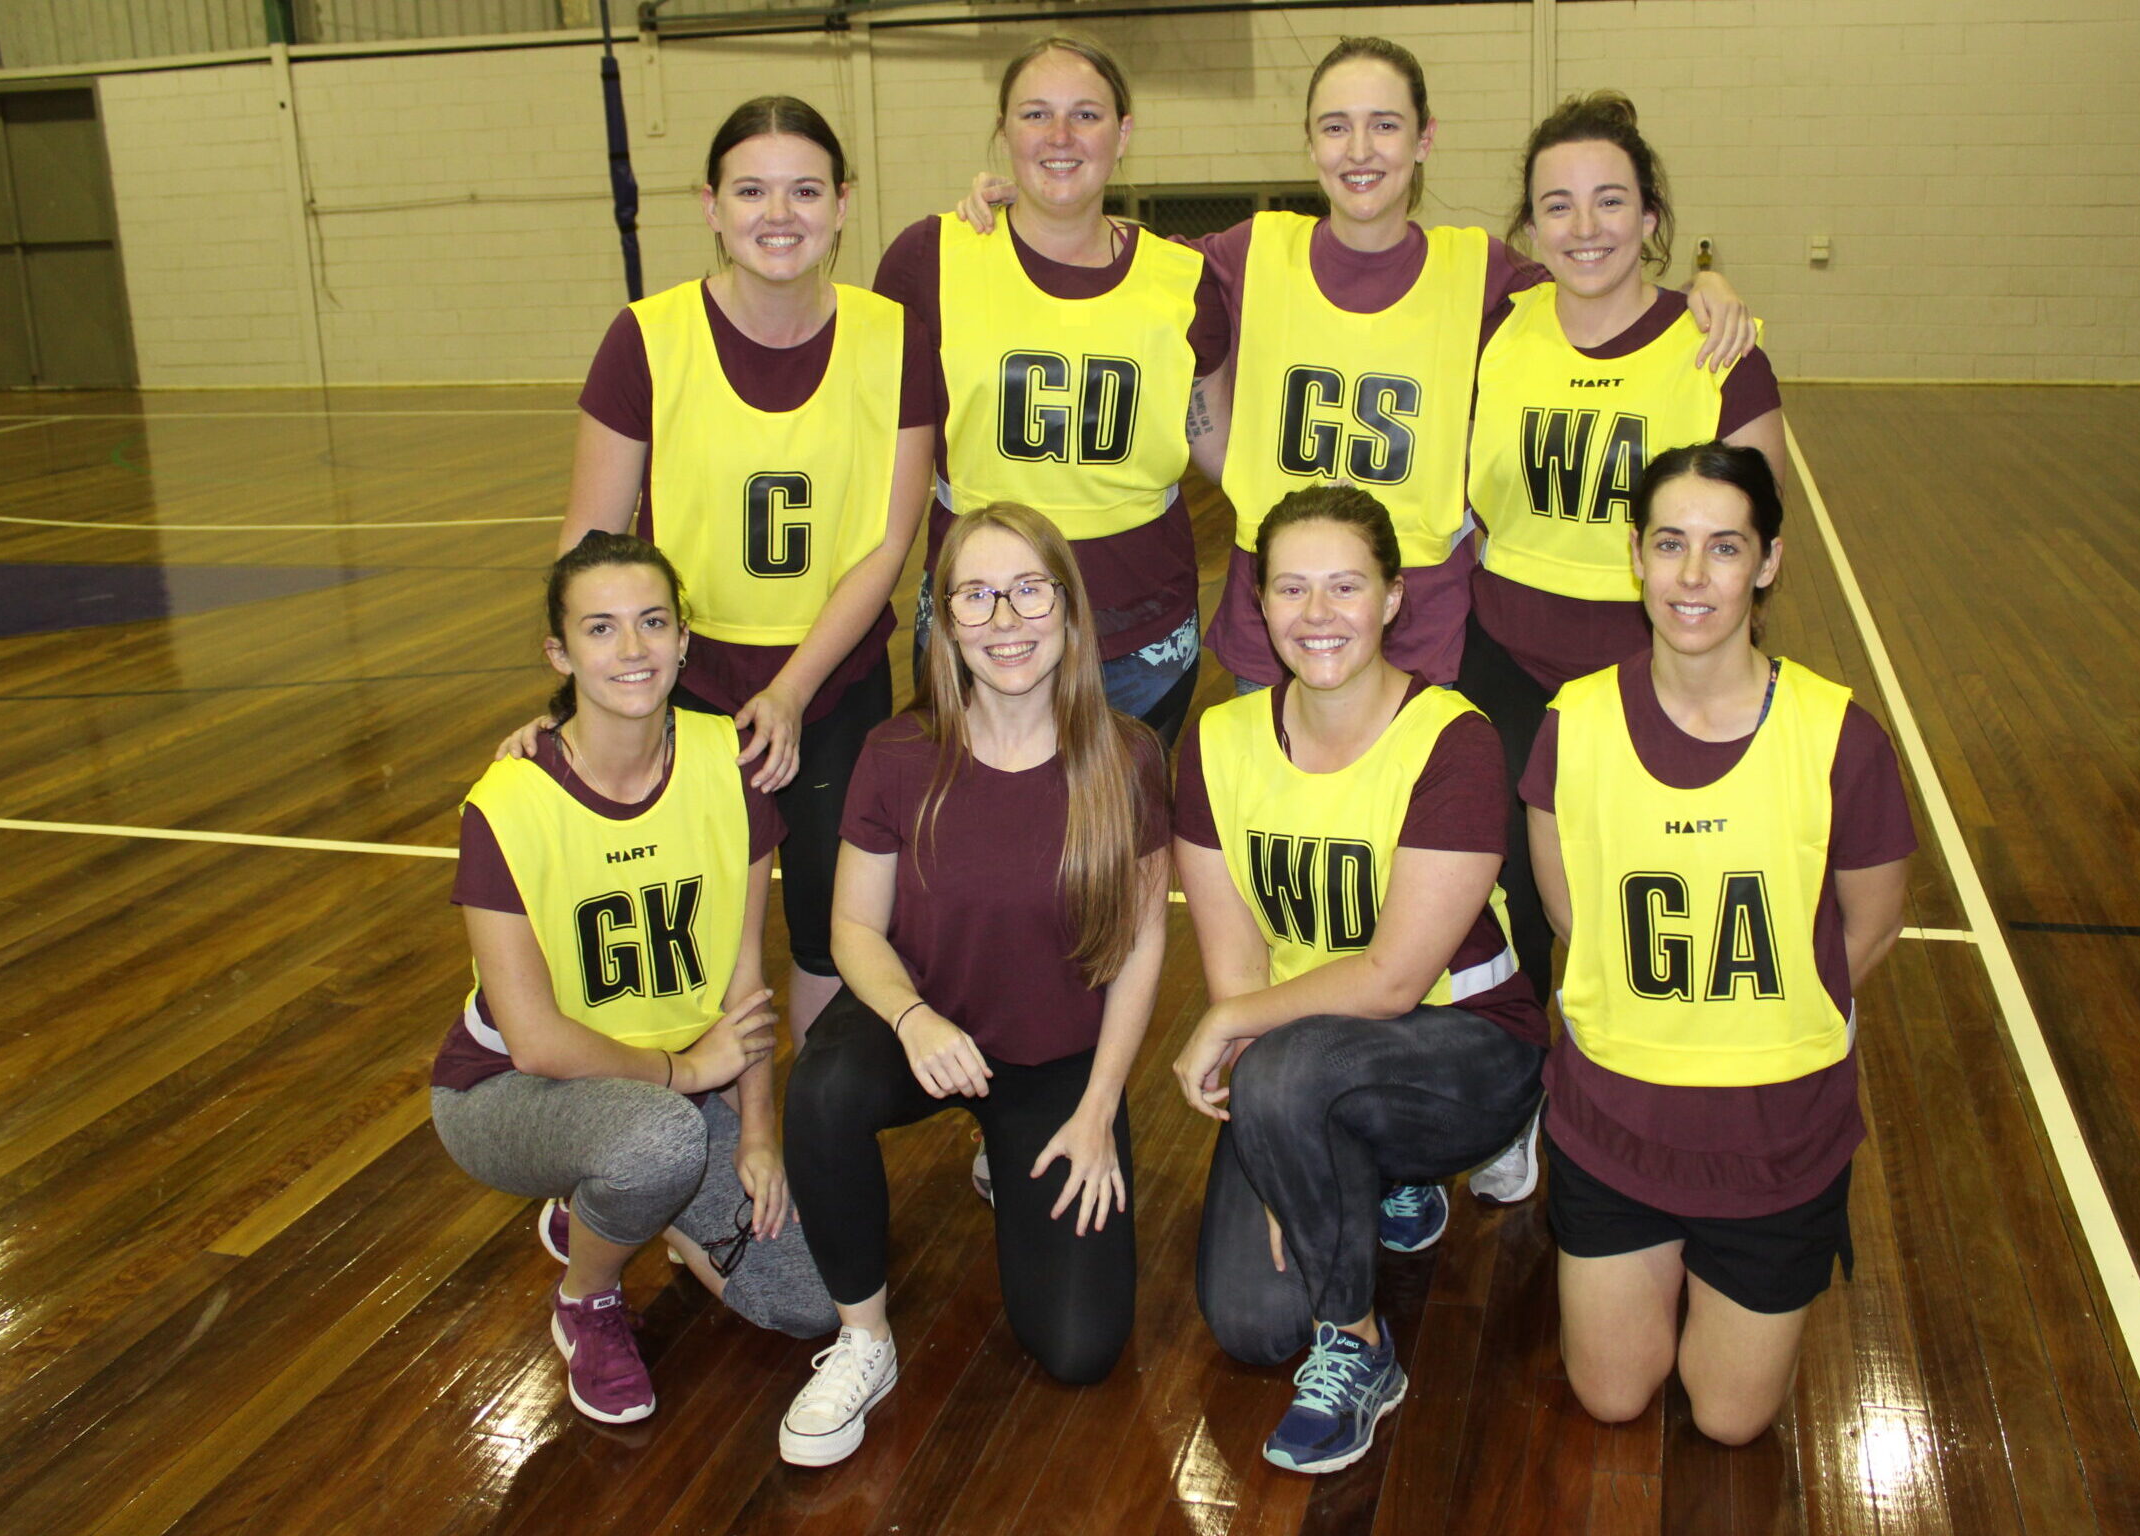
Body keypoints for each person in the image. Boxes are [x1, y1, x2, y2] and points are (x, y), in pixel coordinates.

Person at [505, 96, 933, 1045]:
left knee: (832, 925)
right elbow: (591, 542)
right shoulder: (647, 338)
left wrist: (790, 691)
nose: (778, 214)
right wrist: (575, 698)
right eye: (750, 190)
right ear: (709, 205)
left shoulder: (894, 337)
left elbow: (887, 547)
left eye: (804, 190)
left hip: (831, 686)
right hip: (678, 687)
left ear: (843, 203)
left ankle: (800, 1137)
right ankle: (684, 1123)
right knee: (687, 924)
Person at [1523, 442, 1912, 1443]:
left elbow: (1866, 930)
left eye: (1724, 548)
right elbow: (1574, 920)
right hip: (1615, 1122)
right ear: (1635, 557)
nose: (1692, 578)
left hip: (1773, 1142)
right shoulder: (1574, 722)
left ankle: (1729, 1272)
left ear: (1768, 562)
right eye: (1669, 545)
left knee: (1733, 1422)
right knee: (1611, 1396)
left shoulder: (1841, 738)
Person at [776, 504, 1171, 1467]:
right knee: (823, 1088)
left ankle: (1014, 1151)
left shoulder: (1127, 759)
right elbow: (854, 931)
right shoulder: (899, 755)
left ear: (1071, 614)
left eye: (1031, 590)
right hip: (933, 1026)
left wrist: (1099, 1107)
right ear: (945, 623)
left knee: (1078, 1351)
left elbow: (1143, 946)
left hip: (1054, 1064)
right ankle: (863, 1337)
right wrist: (911, 1020)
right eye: (977, 596)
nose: (1006, 619)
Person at [1171, 486, 1549, 1474]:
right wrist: (1273, 1150)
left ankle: (1360, 1347)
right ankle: (1371, 1176)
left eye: (1345, 585)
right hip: (1306, 1054)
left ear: (1392, 598)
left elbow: (1390, 980)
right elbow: (1238, 970)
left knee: (1292, 1075)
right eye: (1290, 588)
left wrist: (1252, 1060)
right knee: (1253, 1324)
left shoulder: (1455, 740)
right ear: (1257, 604)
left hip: (1468, 1048)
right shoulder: (1217, 745)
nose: (1317, 613)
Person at [1186, 36, 1756, 690]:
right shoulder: (1253, 249)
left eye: (1386, 125)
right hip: (1281, 610)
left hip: (1419, 615)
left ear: (1425, 139)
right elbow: (1132, 280)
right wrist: (1222, 454)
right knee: (1271, 787)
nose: (1361, 149)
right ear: (1310, 142)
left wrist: (1702, 290)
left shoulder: (1481, 268)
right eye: (1336, 127)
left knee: (1423, 788)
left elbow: (1600, 276)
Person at [1456, 92, 1785, 1203]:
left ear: (1652, 216)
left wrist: (1717, 286)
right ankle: (1512, 1103)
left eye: (1609, 200)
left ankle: (1644, 1106)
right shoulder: (1494, 325)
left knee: (1627, 896)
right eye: (1556, 204)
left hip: (1648, 665)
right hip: (1503, 649)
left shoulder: (1713, 348)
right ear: (1529, 223)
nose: (1582, 225)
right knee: (1501, 900)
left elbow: (1757, 530)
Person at [433, 533, 837, 1427]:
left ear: (684, 639)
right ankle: (589, 1297)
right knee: (657, 1143)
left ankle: (604, 1208)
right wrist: (693, 1078)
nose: (632, 651)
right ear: (561, 652)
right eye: (601, 629)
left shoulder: (725, 767)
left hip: (668, 1088)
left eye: (653, 623)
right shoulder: (505, 802)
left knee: (809, 1296)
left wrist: (760, 1131)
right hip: (514, 1089)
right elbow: (536, 1038)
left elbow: (745, 983)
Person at [881, 37, 1228, 746]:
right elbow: (886, 462)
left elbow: (1222, 447)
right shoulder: (930, 259)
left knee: (1124, 845)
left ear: (1124, 133)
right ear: (1003, 131)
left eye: (1087, 115)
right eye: (1036, 115)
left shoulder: (1182, 279)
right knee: (982, 842)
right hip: (979, 628)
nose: (1061, 137)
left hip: (1140, 634)